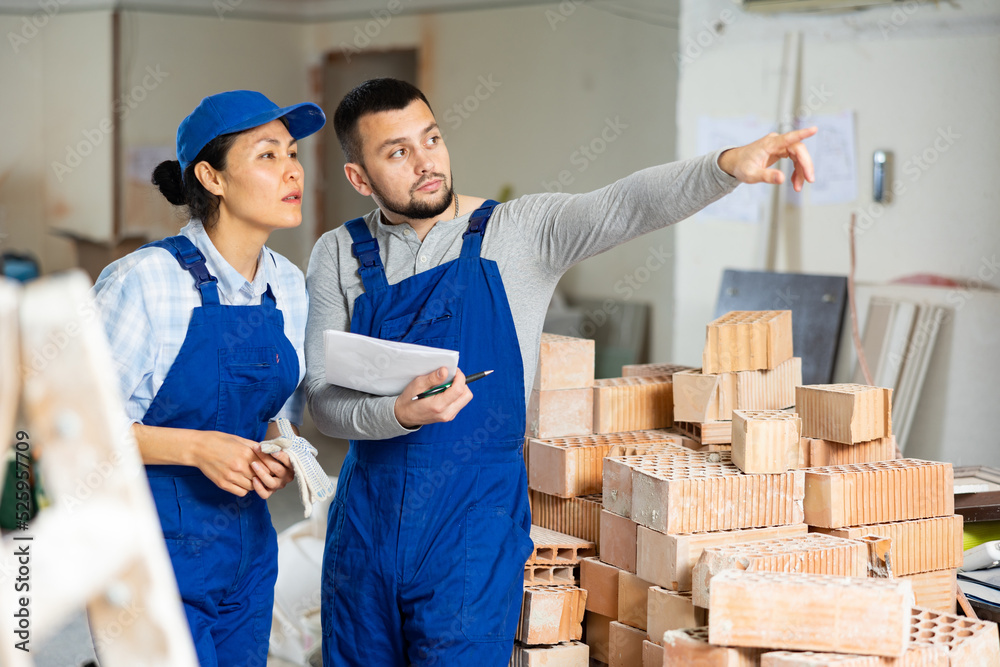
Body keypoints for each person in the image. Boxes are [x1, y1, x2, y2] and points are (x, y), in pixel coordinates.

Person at [305, 78, 816, 666]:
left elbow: (628, 204)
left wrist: (726, 165)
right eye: (398, 152)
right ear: (359, 179)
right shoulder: (338, 253)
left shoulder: (520, 233)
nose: (426, 163)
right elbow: (321, 400)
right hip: (364, 527)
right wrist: (394, 413)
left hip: (470, 529)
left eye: (433, 139)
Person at [92, 90, 325, 666]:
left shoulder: (288, 285)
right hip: (147, 555)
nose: (292, 169)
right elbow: (75, 435)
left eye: (292, 153)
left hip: (247, 553)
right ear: (211, 177)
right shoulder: (143, 281)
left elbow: (274, 417)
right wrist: (197, 448)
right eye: (267, 155)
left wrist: (278, 453)